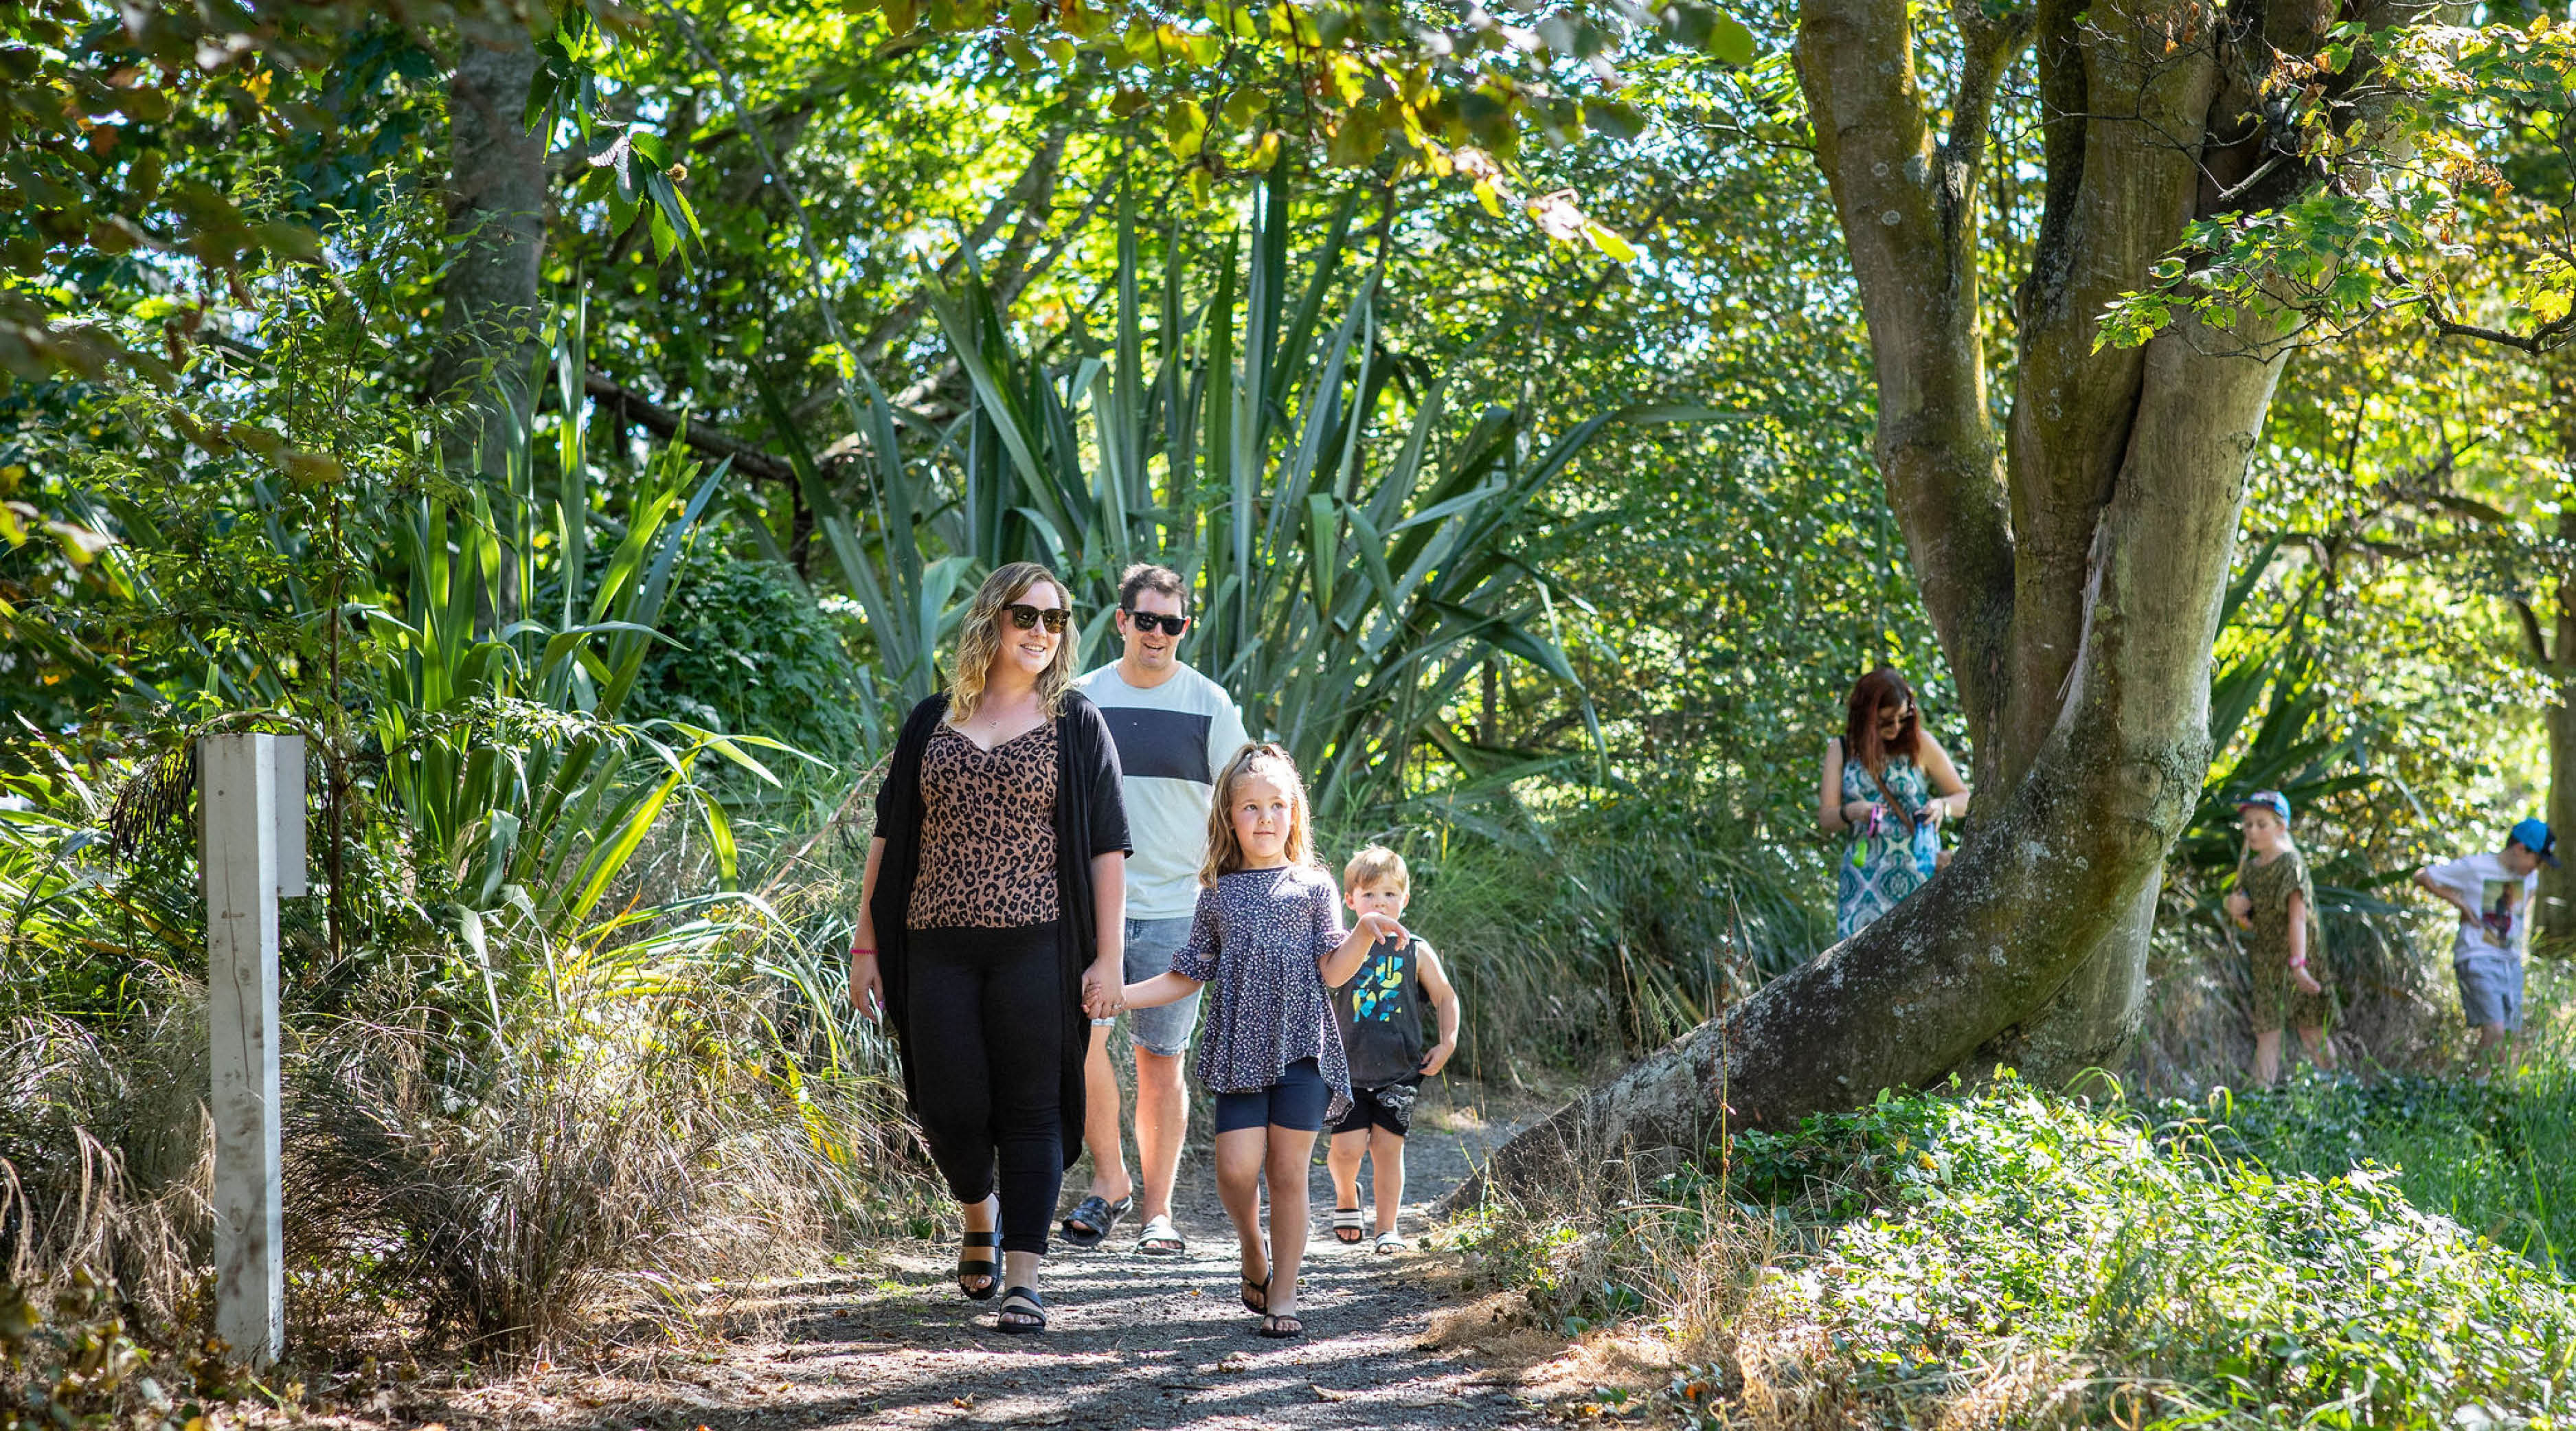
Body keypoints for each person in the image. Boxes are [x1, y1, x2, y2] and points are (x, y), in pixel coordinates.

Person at [848, 562, 1131, 1336]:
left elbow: (1108, 849)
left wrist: (1108, 957)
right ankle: (980, 1209)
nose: (1042, 631)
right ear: (992, 620)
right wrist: (865, 941)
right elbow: (889, 833)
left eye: (1056, 619)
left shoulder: (1076, 723)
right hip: (932, 942)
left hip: (1038, 946)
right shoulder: (931, 720)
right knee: (948, 1104)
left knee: (1033, 1108)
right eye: (1026, 615)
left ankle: (1025, 1277)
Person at [1119, 744, 1407, 1339]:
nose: (1266, 818)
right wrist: (1121, 994)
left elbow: (1332, 967)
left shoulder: (1315, 884)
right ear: (1229, 816)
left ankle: (1284, 1292)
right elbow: (1187, 971)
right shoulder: (1217, 893)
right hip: (1240, 1052)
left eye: (1278, 804)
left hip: (1303, 1046)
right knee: (1235, 1169)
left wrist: (1364, 931)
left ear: (1295, 812)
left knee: (1287, 1171)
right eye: (1251, 807)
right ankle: (1253, 1247)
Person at [1059, 564, 1250, 1257]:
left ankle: (1158, 1214)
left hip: (1178, 909)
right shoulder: (1080, 699)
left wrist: (1246, 889)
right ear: (1121, 621)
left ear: (1184, 628)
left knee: (1160, 1061)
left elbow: (1245, 795)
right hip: (1088, 910)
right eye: (1145, 620)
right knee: (1084, 1044)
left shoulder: (1209, 703)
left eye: (1171, 624)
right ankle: (1110, 1181)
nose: (1158, 635)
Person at [1323, 846, 1458, 1256]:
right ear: (1350, 901)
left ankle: (1387, 1228)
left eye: (1388, 895)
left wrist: (1447, 1042)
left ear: (1405, 899)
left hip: (1400, 1069)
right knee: (1344, 1151)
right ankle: (1347, 1195)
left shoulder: (1416, 948)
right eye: (1368, 896)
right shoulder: (1344, 946)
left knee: (1388, 1147)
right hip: (1346, 1068)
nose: (1379, 903)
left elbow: (1446, 996)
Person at [1818, 667, 1969, 940]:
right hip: (1862, 884)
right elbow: (1826, 820)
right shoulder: (1840, 749)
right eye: (1887, 721)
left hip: (1918, 875)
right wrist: (1852, 811)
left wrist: (1941, 806)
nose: (1897, 728)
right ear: (1865, 716)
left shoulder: (1921, 744)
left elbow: (1965, 798)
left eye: (1903, 718)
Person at [2416, 818, 2558, 1071]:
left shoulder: (2530, 879)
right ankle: (2475, 1091)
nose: (2536, 869)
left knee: (2508, 1037)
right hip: (2477, 956)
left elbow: (2521, 908)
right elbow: (2423, 876)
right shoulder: (2476, 867)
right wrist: (2460, 904)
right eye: (2536, 861)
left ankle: (2492, 1095)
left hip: (2510, 961)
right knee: (2494, 1030)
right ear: (2520, 849)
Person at [2222, 791, 2335, 1085]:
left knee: (2311, 1029)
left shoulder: (2290, 864)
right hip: (2265, 960)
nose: (2253, 831)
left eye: (2262, 824)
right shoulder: (2250, 868)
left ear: (2281, 827)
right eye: (2248, 825)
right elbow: (2251, 923)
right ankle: (2261, 1101)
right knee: (2266, 1031)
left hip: (2299, 957)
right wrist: (2237, 912)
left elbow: (2297, 917)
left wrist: (2298, 966)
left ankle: (2337, 1093)